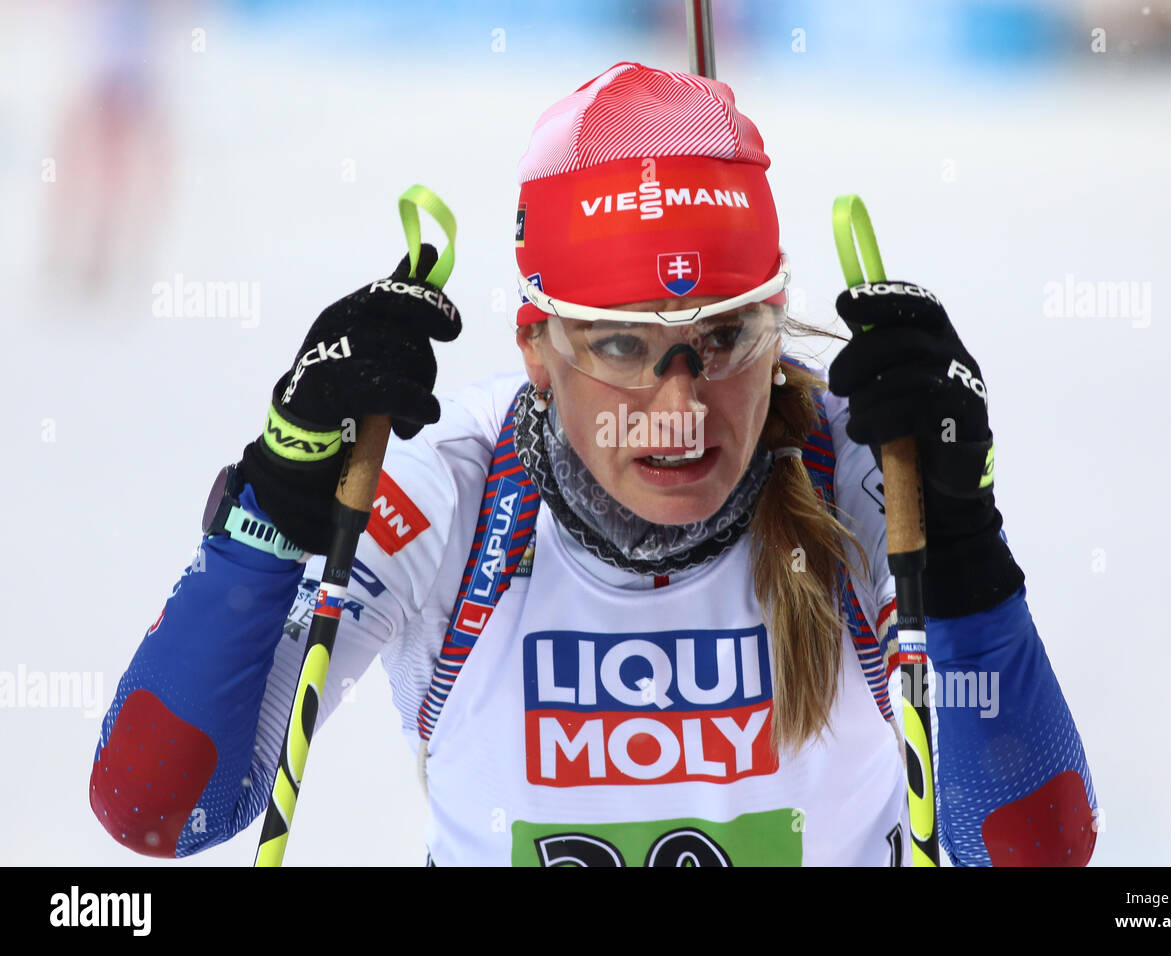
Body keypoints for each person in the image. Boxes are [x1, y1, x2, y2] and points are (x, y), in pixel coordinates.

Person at [89, 62, 1097, 866]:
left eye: (725, 338)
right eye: (621, 343)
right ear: (536, 345)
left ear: (776, 325)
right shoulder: (458, 493)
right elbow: (157, 808)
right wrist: (274, 499)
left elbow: (1028, 848)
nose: (680, 405)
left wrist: (964, 536)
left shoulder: (857, 478)